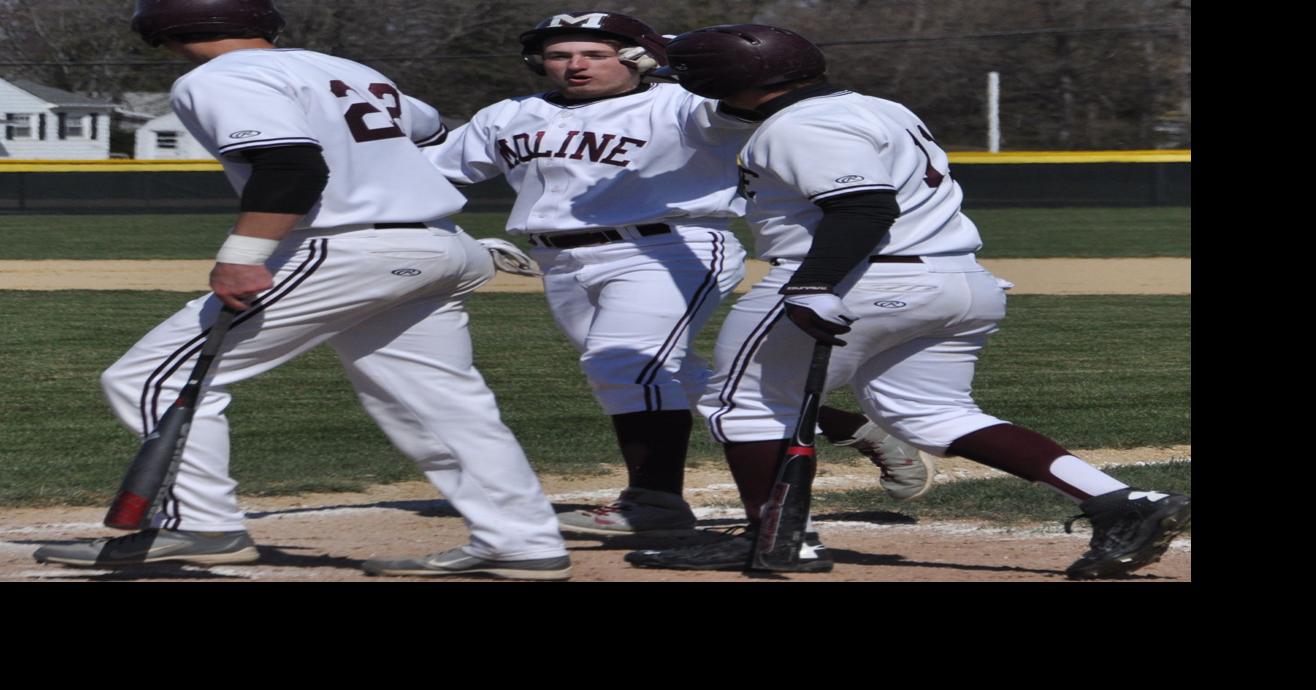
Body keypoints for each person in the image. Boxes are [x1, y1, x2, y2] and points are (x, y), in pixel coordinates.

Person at [625, 24, 1191, 579]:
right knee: (930, 412)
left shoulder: (799, 127)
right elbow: (748, 118)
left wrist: (813, 286)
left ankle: (772, 537)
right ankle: (1122, 501)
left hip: (855, 278)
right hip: (956, 280)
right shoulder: (874, 107)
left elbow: (863, 207)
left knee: (745, 401)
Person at [31, 0, 570, 581]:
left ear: (161, 28)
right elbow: (429, 128)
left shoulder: (217, 77)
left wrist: (243, 256)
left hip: (346, 248)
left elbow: (290, 166)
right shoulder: (346, 68)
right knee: (440, 407)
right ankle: (521, 542)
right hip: (438, 242)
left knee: (149, 377)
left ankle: (203, 525)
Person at [426, 11, 935, 538]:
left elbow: (754, 98)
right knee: (662, 374)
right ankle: (855, 430)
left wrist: (676, 57)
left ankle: (654, 503)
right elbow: (430, 174)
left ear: (635, 58)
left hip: (669, 247)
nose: (575, 65)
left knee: (623, 364)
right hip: (561, 261)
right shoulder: (509, 114)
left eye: (596, 54)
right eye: (559, 55)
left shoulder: (685, 104)